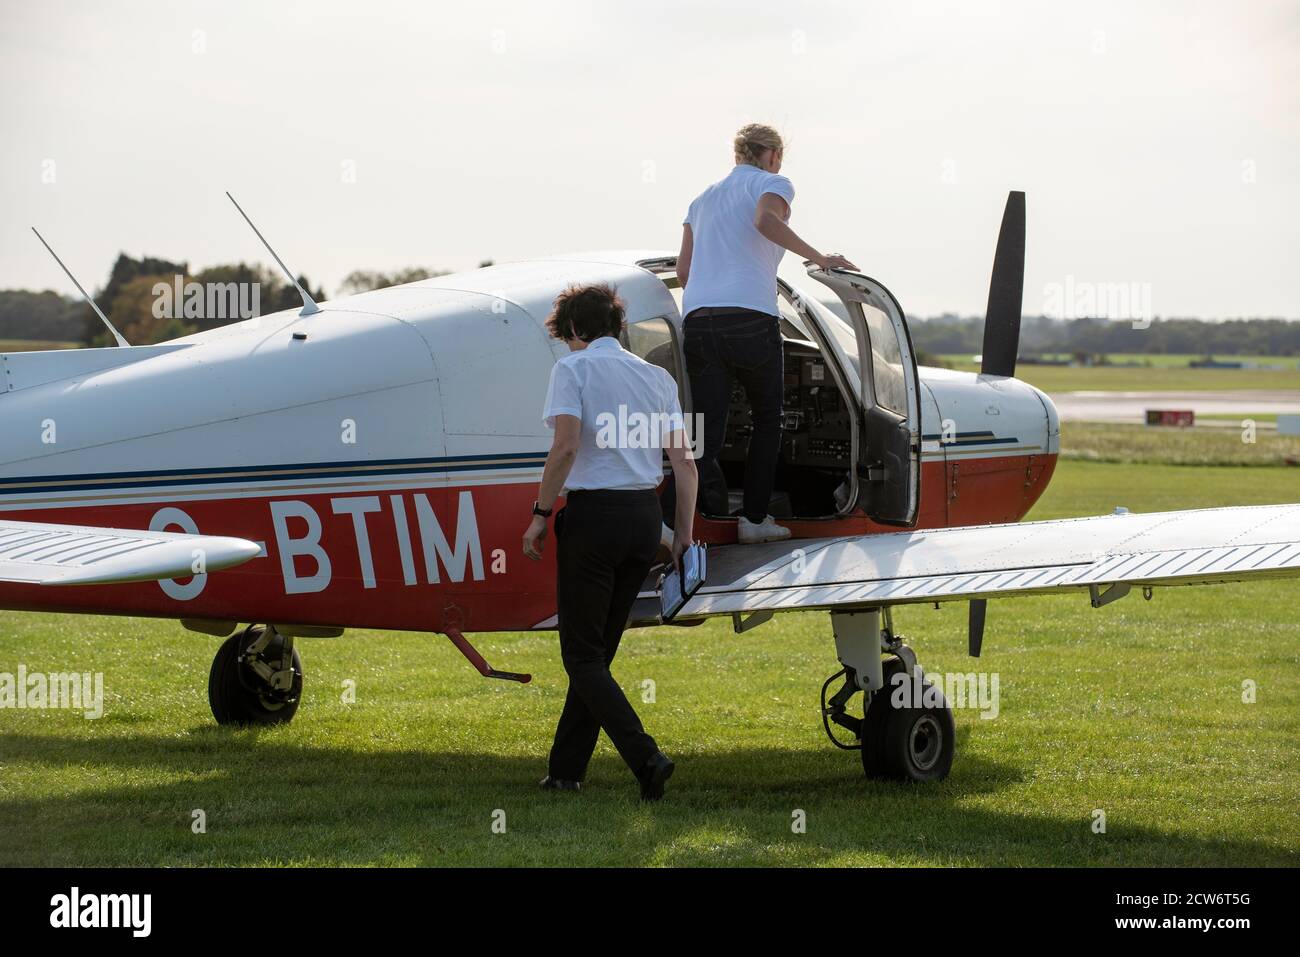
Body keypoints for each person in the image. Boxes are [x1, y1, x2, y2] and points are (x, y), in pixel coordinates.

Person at [522, 283, 698, 801]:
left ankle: (647, 758)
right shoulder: (657, 377)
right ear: (616, 326)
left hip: (594, 519)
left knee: (581, 656)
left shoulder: (572, 370)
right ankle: (565, 770)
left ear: (574, 329)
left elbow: (566, 447)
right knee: (597, 654)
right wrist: (682, 536)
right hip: (644, 521)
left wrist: (538, 514)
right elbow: (685, 465)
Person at [677, 123, 856, 543]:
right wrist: (820, 258)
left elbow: (684, 272)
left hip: (699, 319)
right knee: (768, 419)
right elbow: (765, 220)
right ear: (772, 154)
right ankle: (754, 520)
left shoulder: (700, 200)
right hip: (751, 317)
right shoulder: (775, 183)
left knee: (706, 426)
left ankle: (696, 514)